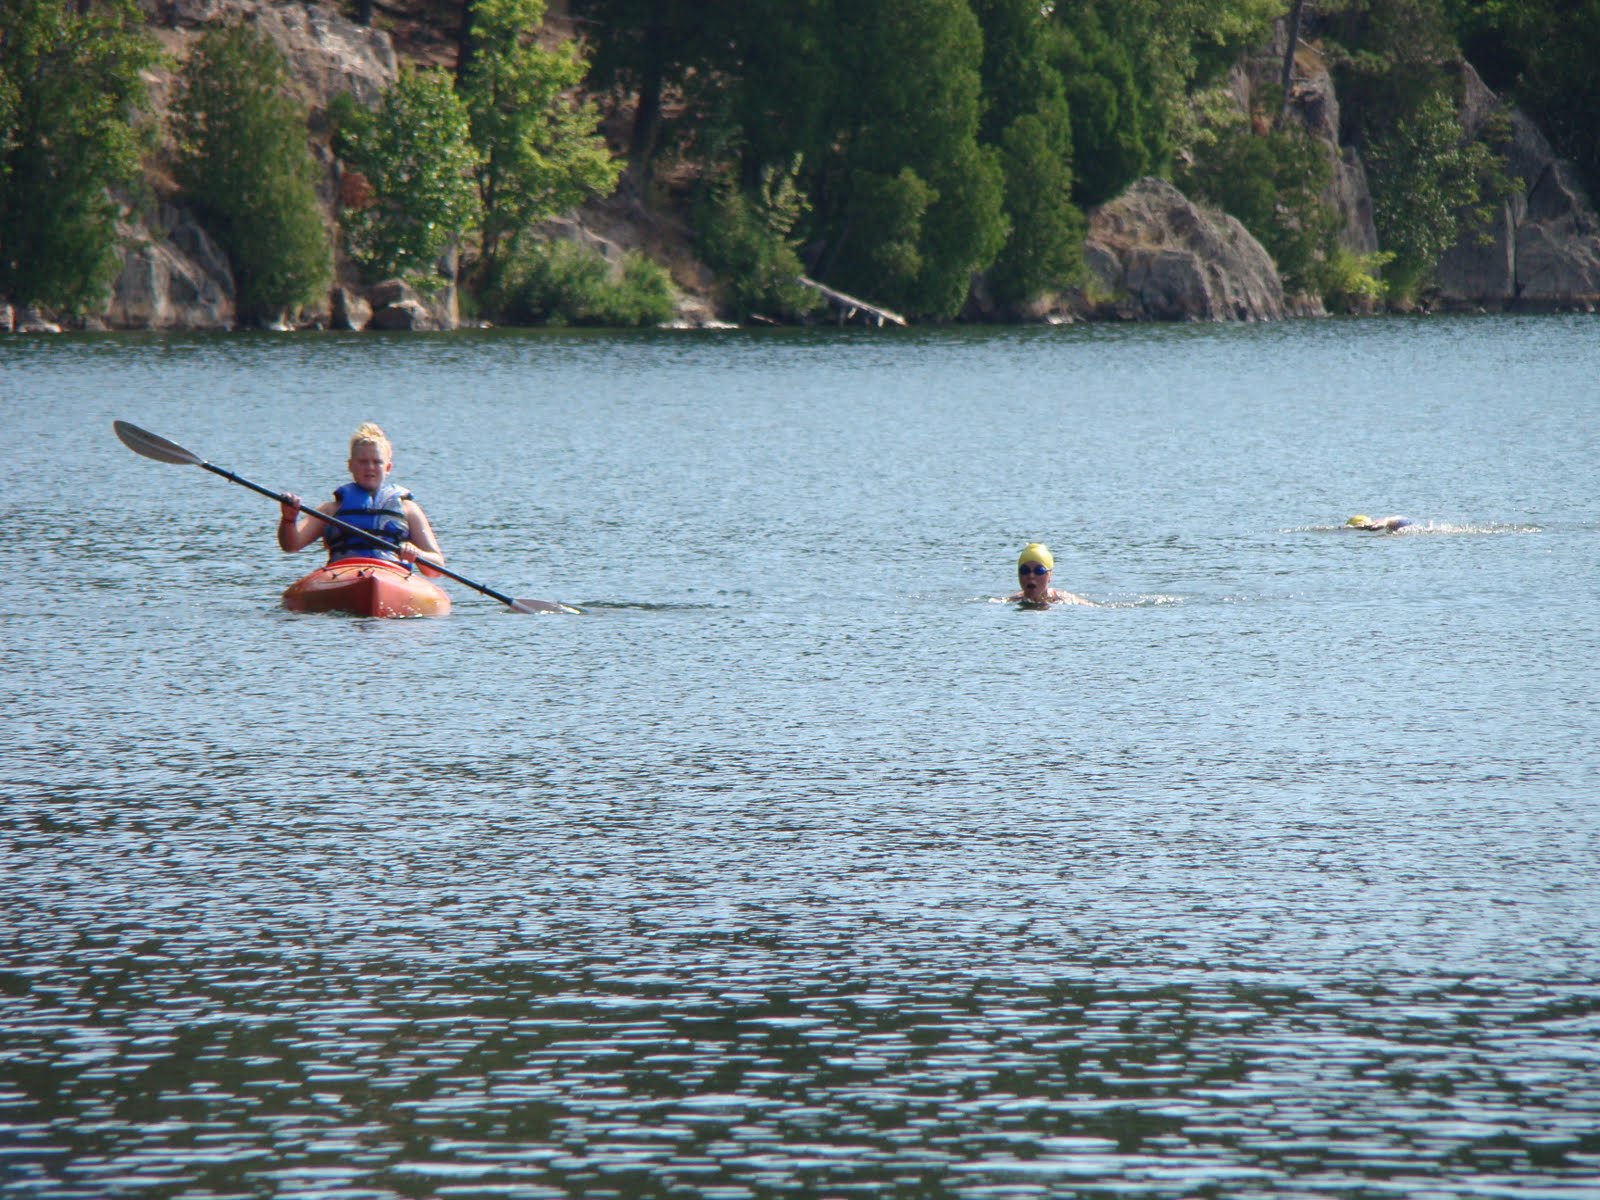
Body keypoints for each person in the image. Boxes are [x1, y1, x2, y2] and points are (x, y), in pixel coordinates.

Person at [278, 422, 444, 572]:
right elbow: (291, 545)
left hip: (393, 575)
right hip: (343, 572)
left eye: (377, 462)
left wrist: (417, 554)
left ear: (388, 467)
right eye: (363, 462)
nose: (370, 467)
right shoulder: (330, 510)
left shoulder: (408, 510)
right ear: (350, 465)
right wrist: (288, 520)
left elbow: (436, 567)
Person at [1007, 542, 1092, 607]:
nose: (1031, 576)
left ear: (1049, 575)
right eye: (1025, 570)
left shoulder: (1065, 600)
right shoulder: (1011, 600)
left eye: (1039, 571)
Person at [1345, 513, 1413, 532]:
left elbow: (1385, 522)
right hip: (1403, 521)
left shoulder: (1382, 522)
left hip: (1401, 522)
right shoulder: (1377, 522)